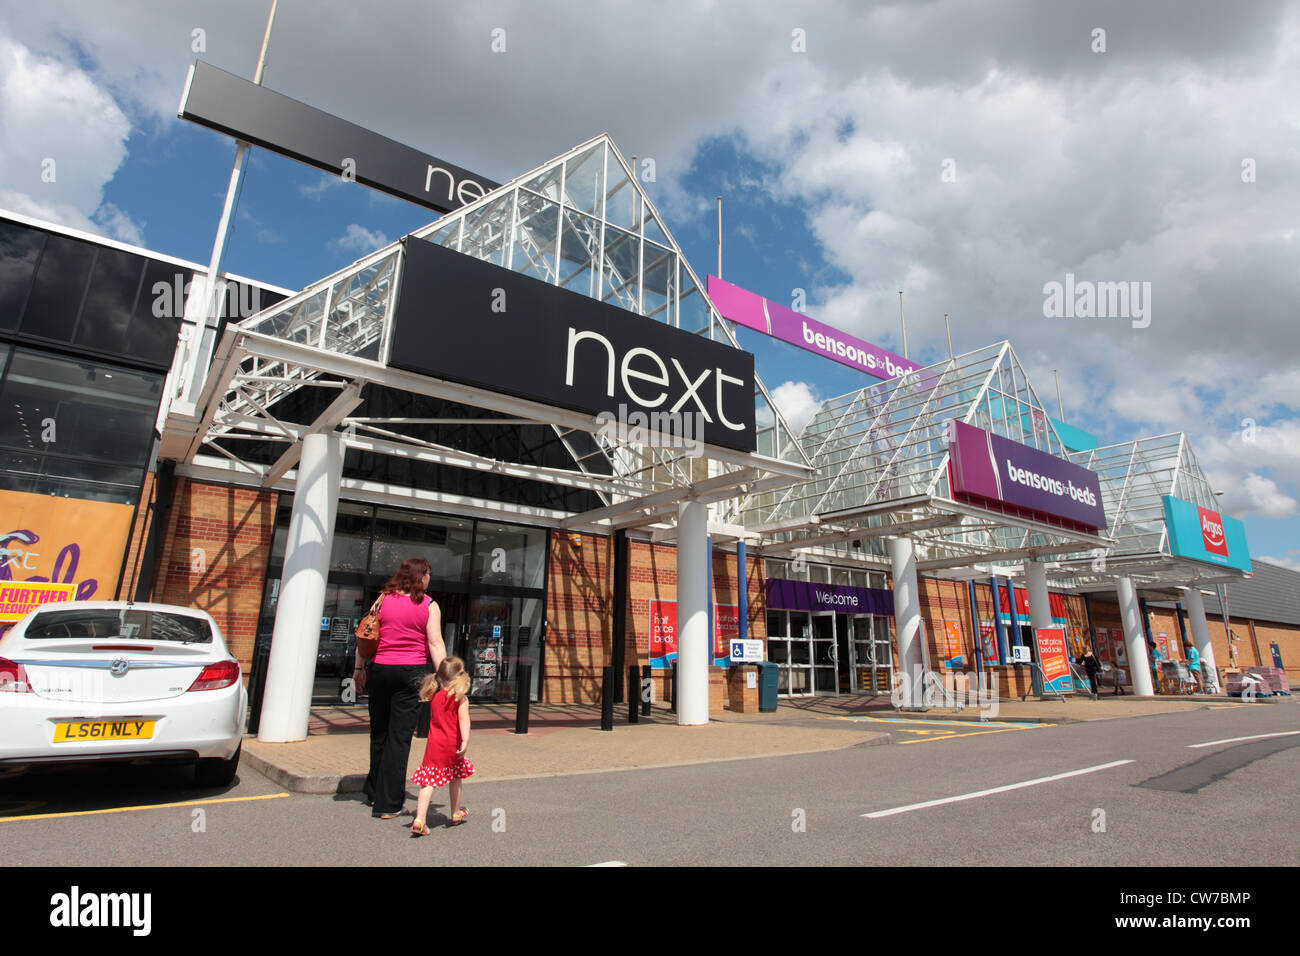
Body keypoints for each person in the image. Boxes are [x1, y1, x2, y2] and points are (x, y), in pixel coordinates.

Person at [355, 557, 445, 819]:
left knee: (379, 733)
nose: (429, 578)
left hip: (380, 670)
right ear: (420, 576)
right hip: (411, 674)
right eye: (428, 573)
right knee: (399, 739)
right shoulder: (429, 605)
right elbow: (436, 644)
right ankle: (389, 803)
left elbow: (365, 633)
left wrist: (359, 670)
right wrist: (445, 679)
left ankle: (374, 793)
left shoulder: (383, 599)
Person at [410, 657, 475, 835]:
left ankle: (420, 819)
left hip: (434, 745)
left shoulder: (435, 697)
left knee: (428, 782)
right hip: (452, 745)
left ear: (439, 679)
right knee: (455, 778)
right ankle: (455, 812)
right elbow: (463, 721)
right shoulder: (460, 699)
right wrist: (465, 741)